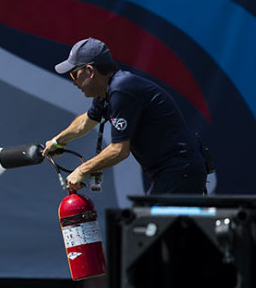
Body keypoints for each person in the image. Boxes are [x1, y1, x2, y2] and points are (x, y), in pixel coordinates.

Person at [43, 38, 208, 195]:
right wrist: (58, 141)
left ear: (89, 71)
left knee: (151, 224)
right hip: (175, 172)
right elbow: (86, 121)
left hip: (180, 171)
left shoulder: (121, 91)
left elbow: (119, 150)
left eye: (74, 74)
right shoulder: (107, 91)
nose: (73, 82)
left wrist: (82, 170)